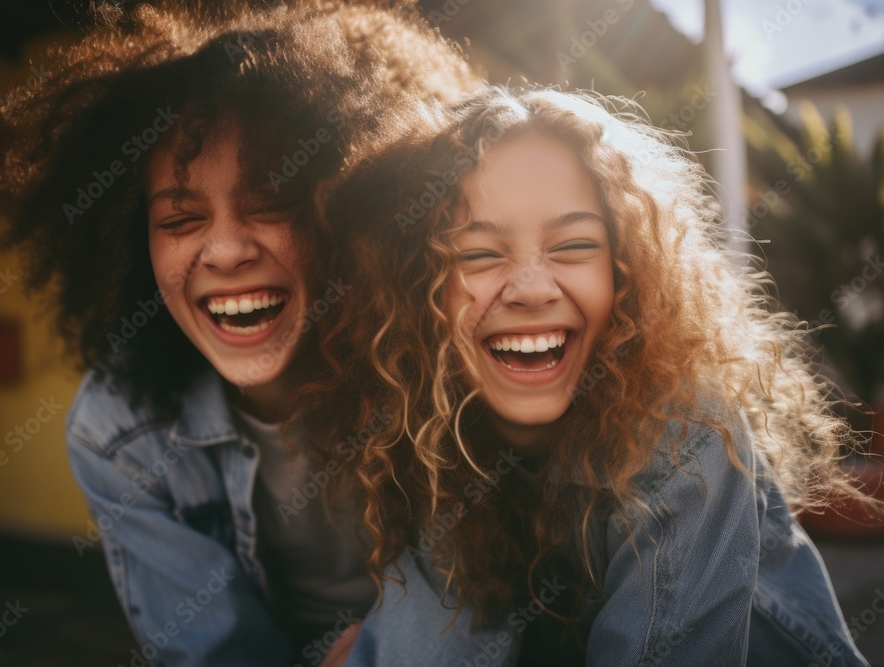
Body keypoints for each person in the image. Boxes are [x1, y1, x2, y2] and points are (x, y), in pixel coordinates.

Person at [304, 86, 881, 665]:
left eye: (575, 245)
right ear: (417, 287)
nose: (531, 289)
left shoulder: (687, 438)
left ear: (628, 274)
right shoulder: (436, 433)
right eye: (478, 255)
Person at [0, 2, 477, 664]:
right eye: (180, 219)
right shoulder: (118, 429)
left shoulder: (453, 367)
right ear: (135, 249)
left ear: (354, 215)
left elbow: (471, 610)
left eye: (271, 204)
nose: (223, 250)